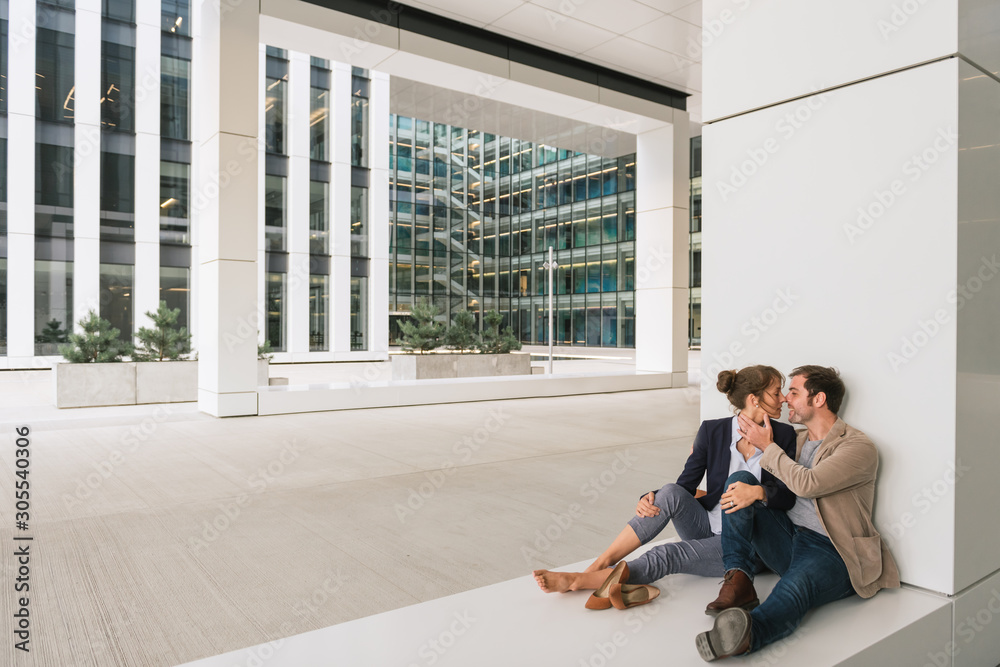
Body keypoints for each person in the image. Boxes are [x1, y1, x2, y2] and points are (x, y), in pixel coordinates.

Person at [533, 365, 798, 606]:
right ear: (754, 399)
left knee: (669, 552)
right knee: (669, 491)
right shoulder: (713, 431)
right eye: (777, 393)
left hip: (744, 543)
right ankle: (603, 563)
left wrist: (759, 483)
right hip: (705, 525)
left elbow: (788, 498)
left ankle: (580, 581)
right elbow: (684, 485)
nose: (784, 398)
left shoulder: (784, 436)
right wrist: (649, 497)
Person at [696, 366, 900, 661]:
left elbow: (808, 483)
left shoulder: (857, 446)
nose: (784, 400)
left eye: (793, 392)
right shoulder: (795, 439)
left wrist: (767, 446)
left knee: (795, 586)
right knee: (739, 484)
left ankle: (747, 634)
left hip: (834, 551)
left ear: (818, 400)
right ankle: (739, 578)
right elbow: (770, 483)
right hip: (789, 538)